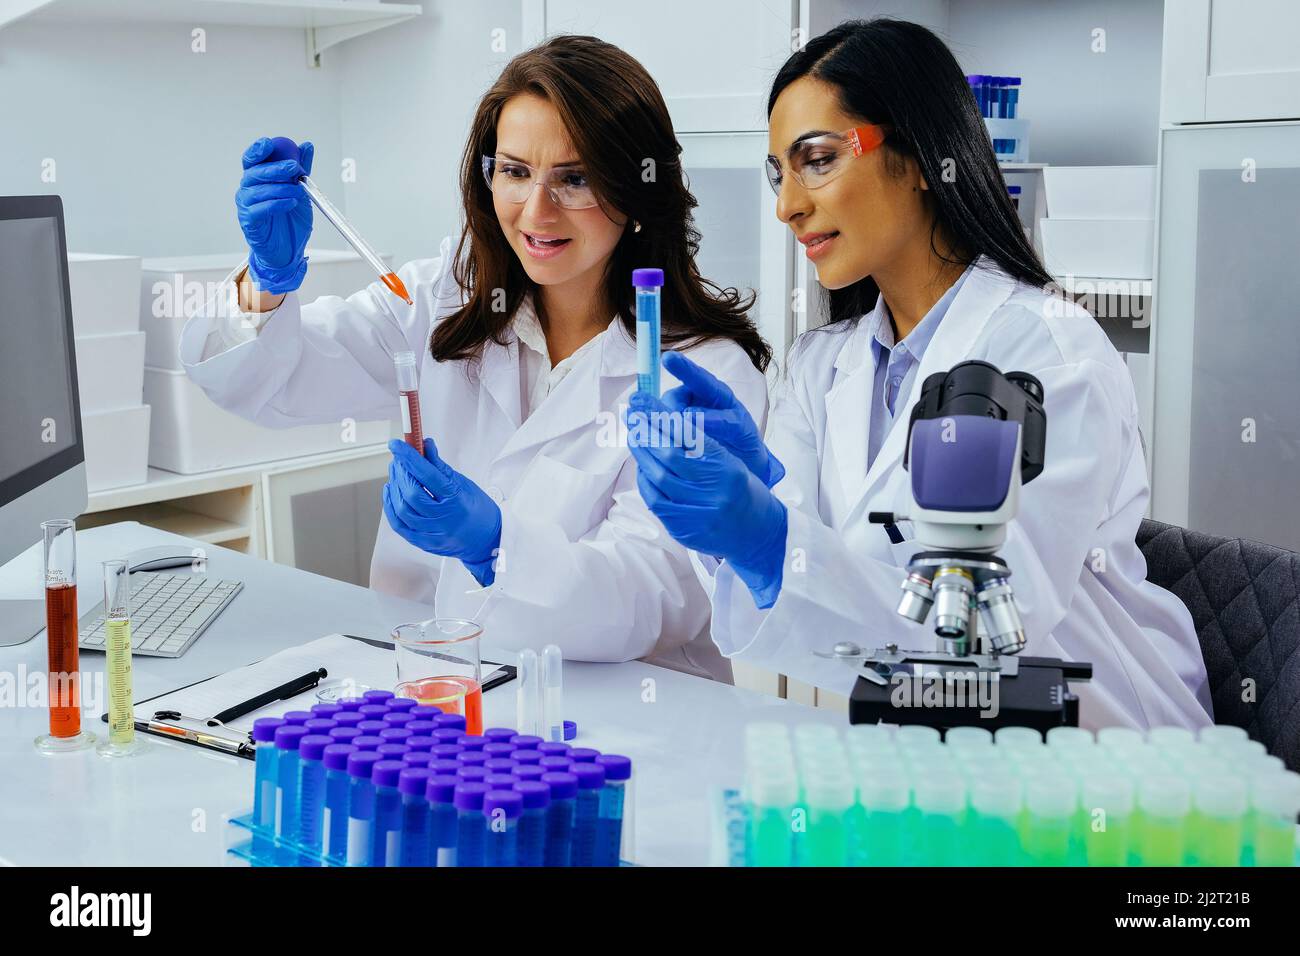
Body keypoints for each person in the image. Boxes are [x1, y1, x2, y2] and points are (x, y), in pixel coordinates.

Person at [626, 19, 1212, 729]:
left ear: (919, 156)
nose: (787, 206)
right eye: (780, 173)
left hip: (1098, 760)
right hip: (912, 751)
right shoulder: (823, 364)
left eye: (817, 160)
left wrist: (771, 537)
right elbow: (810, 613)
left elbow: (981, 628)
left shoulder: (1048, 353)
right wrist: (757, 501)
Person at [180, 35, 771, 680]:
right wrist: (268, 280)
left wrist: (495, 545)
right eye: (514, 171)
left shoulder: (704, 371)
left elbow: (653, 597)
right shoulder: (445, 298)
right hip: (433, 684)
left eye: (575, 178)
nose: (535, 210)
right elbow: (271, 382)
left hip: (624, 721)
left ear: (634, 191)